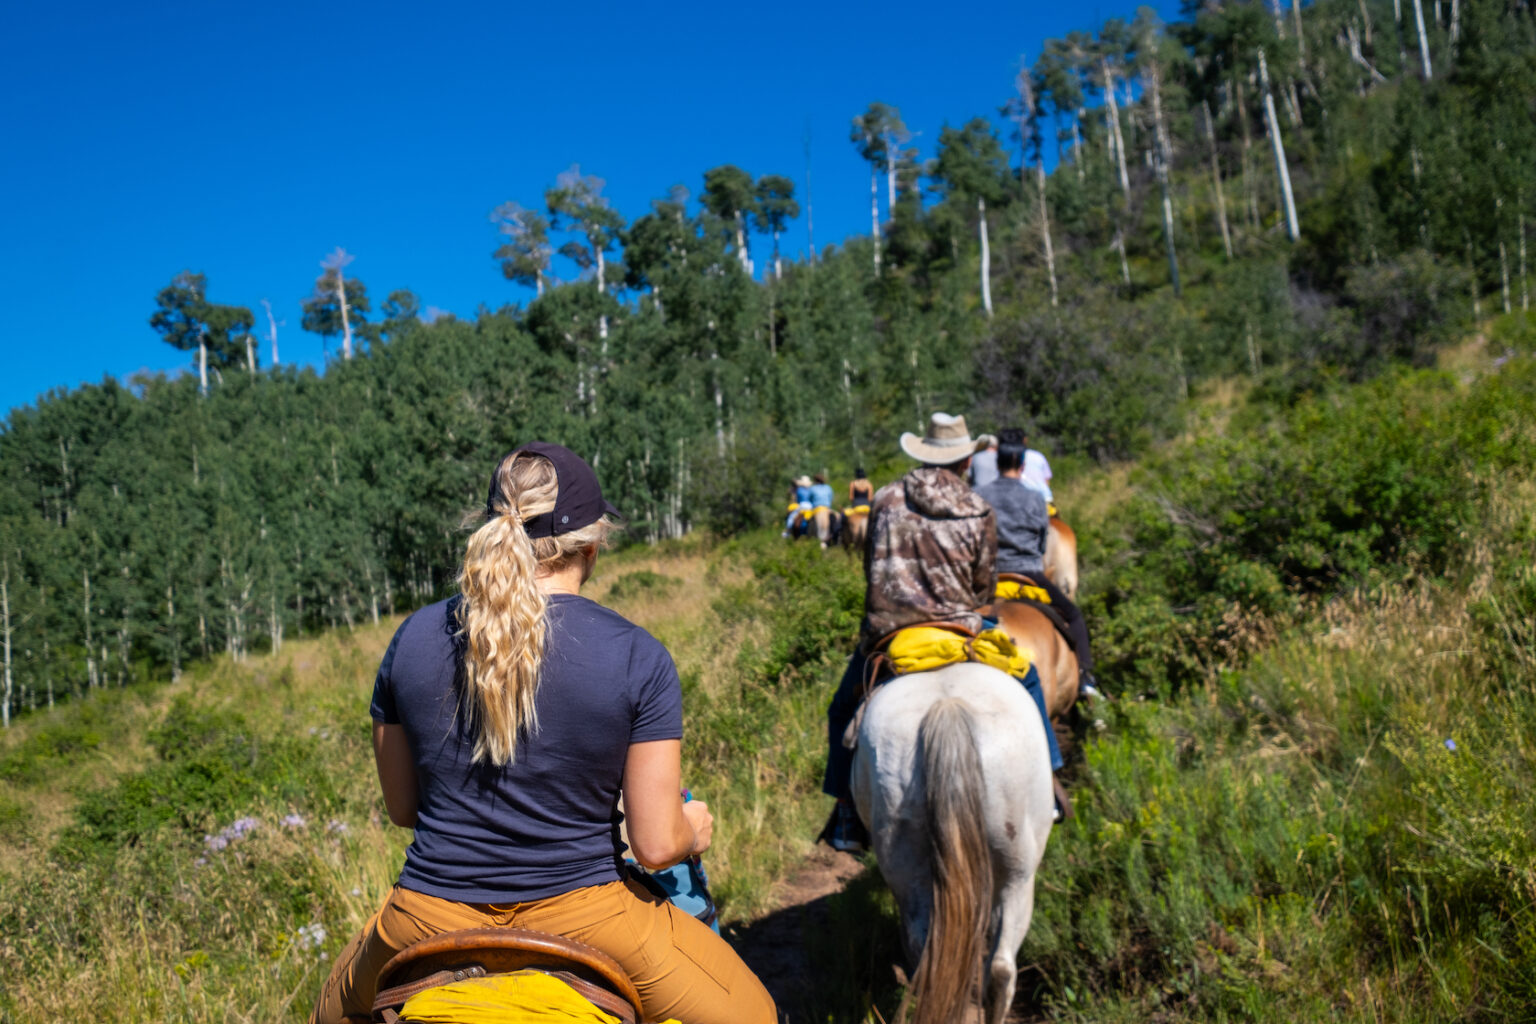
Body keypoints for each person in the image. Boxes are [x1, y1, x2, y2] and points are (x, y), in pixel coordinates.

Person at [310, 443, 775, 1024]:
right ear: (592, 544)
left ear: (490, 528)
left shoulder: (411, 638)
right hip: (590, 916)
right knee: (756, 1013)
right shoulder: (637, 655)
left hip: (428, 914)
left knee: (326, 1014)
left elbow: (404, 808)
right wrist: (692, 829)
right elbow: (656, 845)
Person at [820, 413, 1065, 853]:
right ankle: (1048, 782)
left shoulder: (886, 499)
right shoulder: (977, 507)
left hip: (892, 633)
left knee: (841, 711)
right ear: (966, 461)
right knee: (1028, 678)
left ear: (922, 453)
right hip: (960, 628)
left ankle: (846, 816)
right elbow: (984, 589)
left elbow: (870, 568)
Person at [975, 433, 1101, 700]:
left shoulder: (980, 495)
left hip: (991, 578)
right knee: (1074, 616)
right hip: (1030, 573)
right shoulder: (1034, 498)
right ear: (1022, 465)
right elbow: (1042, 541)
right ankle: (1086, 679)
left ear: (997, 464)